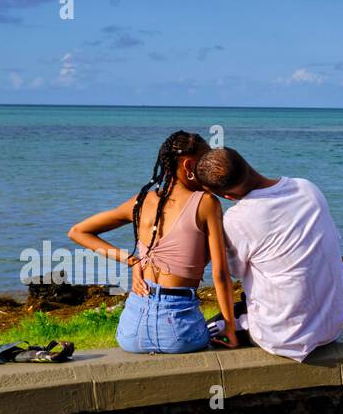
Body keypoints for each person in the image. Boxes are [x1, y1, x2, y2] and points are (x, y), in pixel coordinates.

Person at [68, 130, 238, 353]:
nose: (211, 169)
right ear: (188, 166)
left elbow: (78, 232)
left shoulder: (141, 201)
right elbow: (221, 274)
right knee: (236, 319)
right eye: (204, 163)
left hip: (130, 332)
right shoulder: (207, 203)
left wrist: (132, 261)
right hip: (179, 333)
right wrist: (230, 329)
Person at [195, 147, 343, 363]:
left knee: (205, 331)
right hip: (332, 326)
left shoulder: (238, 218)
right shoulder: (307, 188)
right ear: (246, 163)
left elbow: (235, 271)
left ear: (228, 196)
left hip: (284, 337)